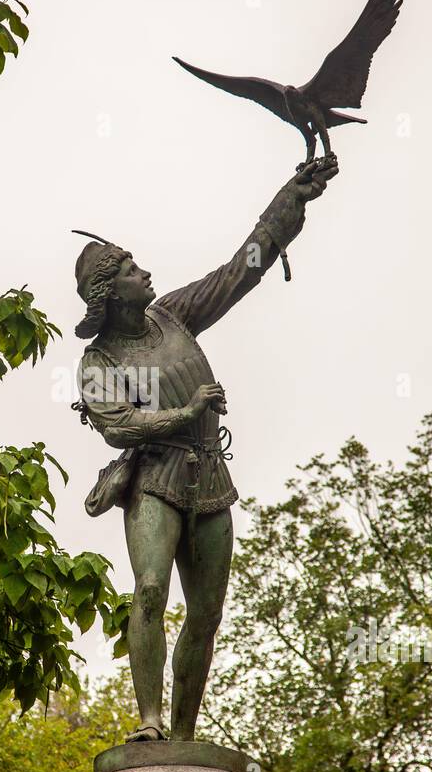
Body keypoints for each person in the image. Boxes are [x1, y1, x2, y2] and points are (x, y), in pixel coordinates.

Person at [74, 154, 338, 741]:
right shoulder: (99, 360)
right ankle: (149, 722)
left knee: (207, 614)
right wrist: (188, 410)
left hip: (211, 478)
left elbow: (236, 272)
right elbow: (117, 425)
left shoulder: (175, 316)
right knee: (148, 588)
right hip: (153, 479)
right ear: (110, 293)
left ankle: (185, 738)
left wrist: (289, 201)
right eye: (133, 270)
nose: (147, 274)